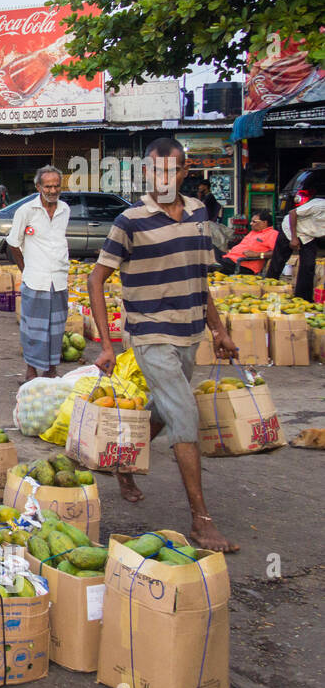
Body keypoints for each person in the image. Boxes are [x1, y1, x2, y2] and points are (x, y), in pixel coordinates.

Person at [89, 137, 239, 552]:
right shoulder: (130, 221)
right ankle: (201, 521)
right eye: (156, 172)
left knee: (164, 409)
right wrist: (108, 344)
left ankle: (123, 462)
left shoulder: (198, 212)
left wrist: (219, 329)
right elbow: (95, 279)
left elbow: (200, 277)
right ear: (146, 174)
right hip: (150, 334)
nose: (164, 179)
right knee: (185, 415)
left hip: (189, 331)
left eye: (172, 172)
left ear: (185, 171)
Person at [7, 166, 71, 381]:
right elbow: (14, 244)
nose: (52, 190)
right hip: (35, 279)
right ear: (38, 187)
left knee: (56, 327)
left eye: (56, 186)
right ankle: (31, 371)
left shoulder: (65, 209)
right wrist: (26, 270)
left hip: (59, 279)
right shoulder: (26, 211)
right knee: (33, 328)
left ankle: (51, 370)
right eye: (48, 186)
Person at [280, 188, 325, 301]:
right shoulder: (320, 205)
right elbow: (292, 213)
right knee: (279, 260)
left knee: (309, 265)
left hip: (308, 235)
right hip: (290, 228)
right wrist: (294, 238)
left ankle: (303, 298)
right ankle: (269, 291)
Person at [216, 211, 278, 275]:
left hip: (243, 264)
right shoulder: (253, 232)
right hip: (230, 258)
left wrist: (258, 254)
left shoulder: (272, 234)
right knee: (209, 247)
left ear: (264, 222)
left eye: (254, 222)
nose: (251, 223)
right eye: (251, 221)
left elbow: (277, 252)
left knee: (211, 263)